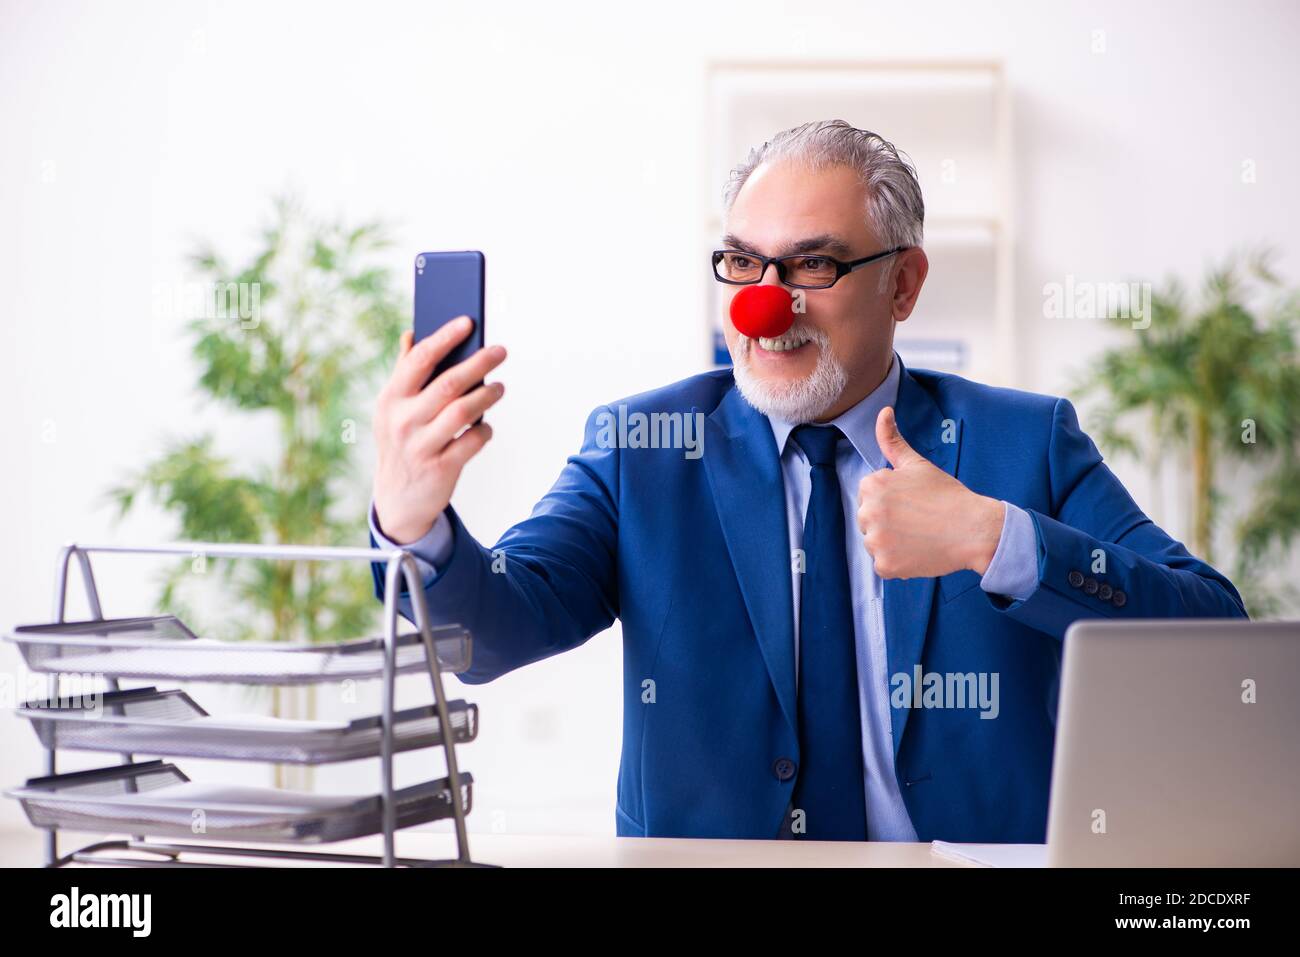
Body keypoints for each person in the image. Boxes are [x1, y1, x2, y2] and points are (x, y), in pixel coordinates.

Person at [367, 120, 1247, 843]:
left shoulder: (1027, 442)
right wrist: (414, 521)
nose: (766, 304)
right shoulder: (641, 445)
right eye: (744, 263)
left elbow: (1211, 639)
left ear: (902, 284)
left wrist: (996, 538)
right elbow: (489, 637)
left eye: (813, 266)